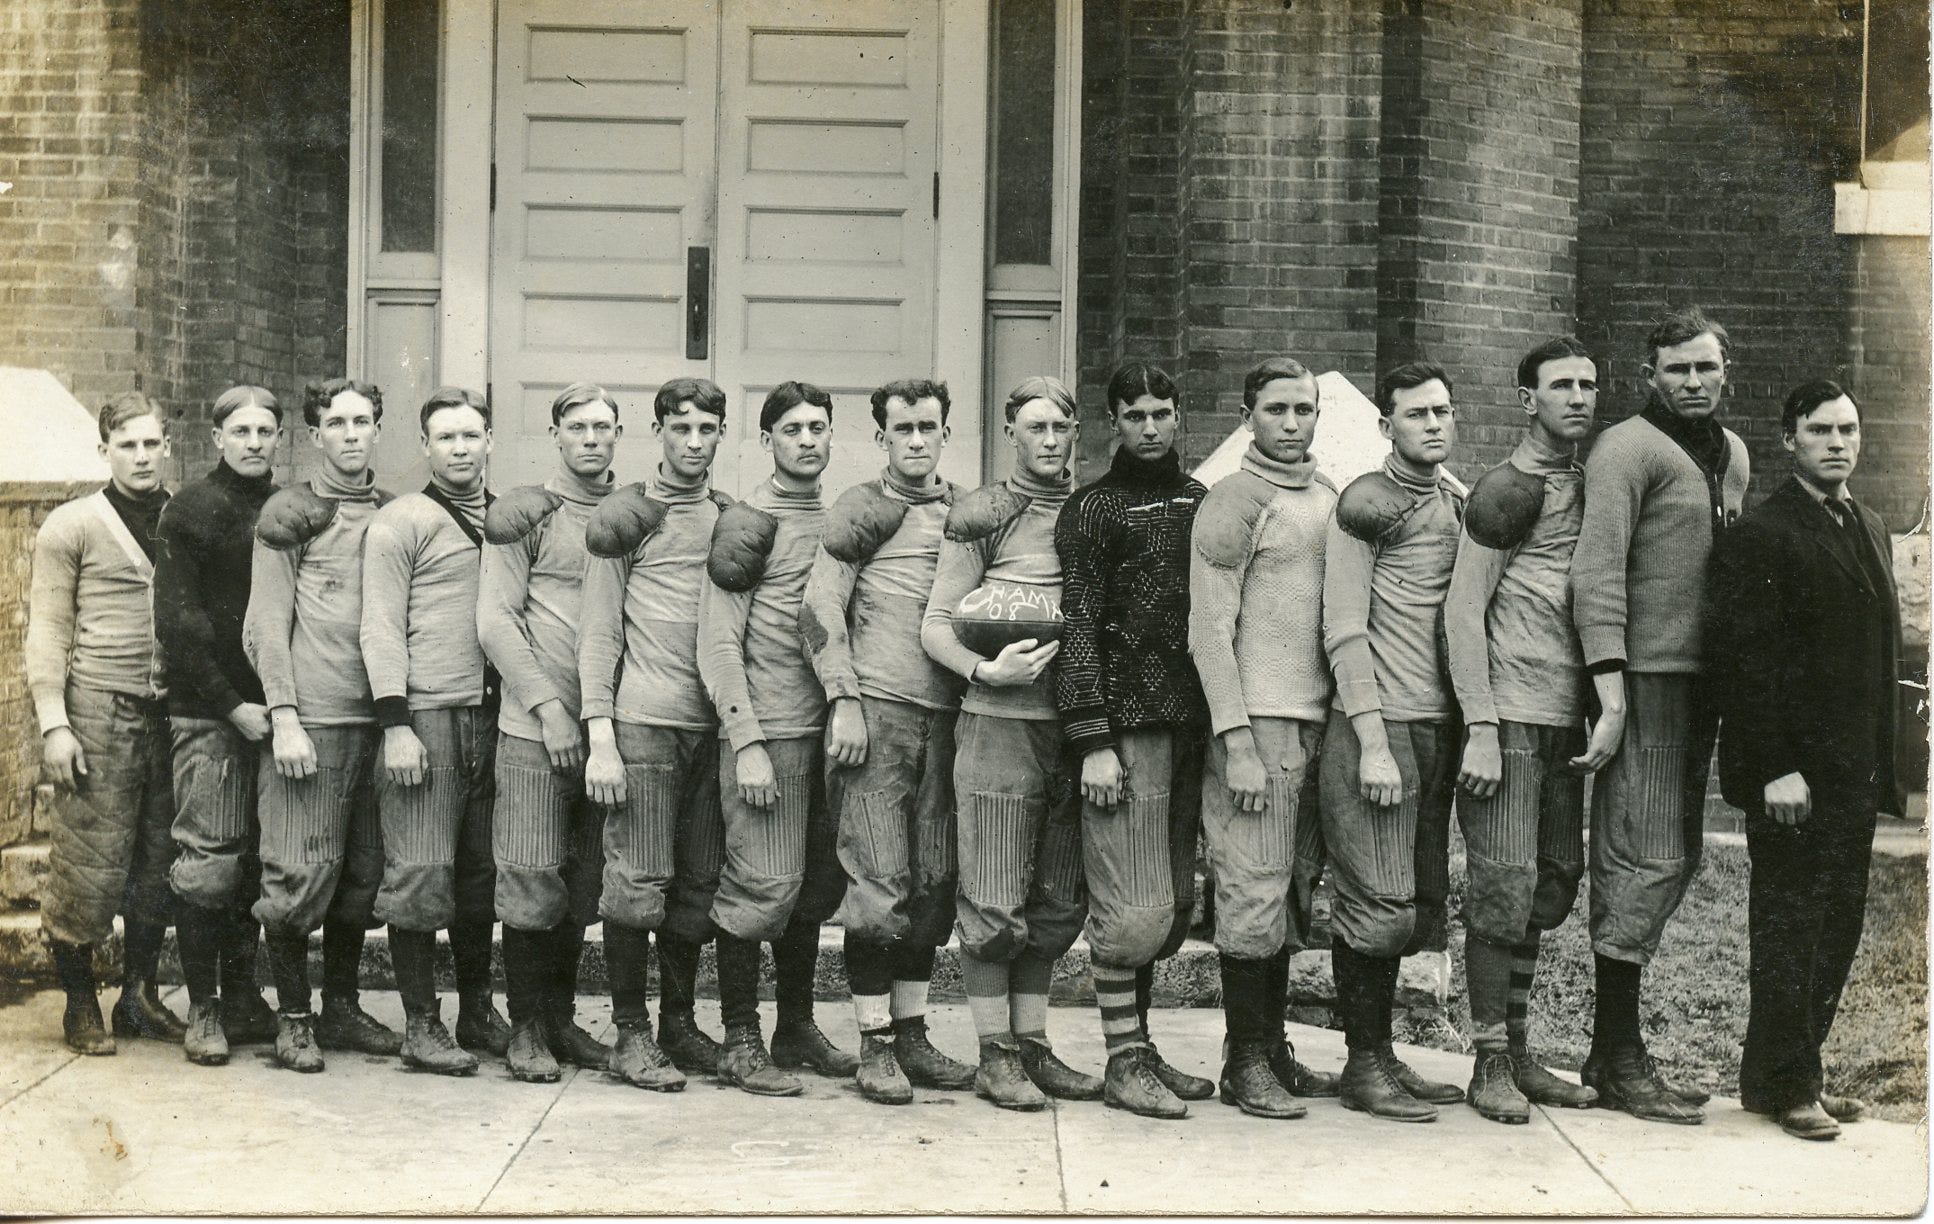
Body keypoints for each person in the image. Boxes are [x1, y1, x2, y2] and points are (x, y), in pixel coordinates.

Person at [1707, 381, 1901, 1141]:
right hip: (1793, 776)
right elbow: (1743, 664)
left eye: (1848, 429)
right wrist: (1771, 768)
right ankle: (1794, 1086)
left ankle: (1780, 1073)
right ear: (1788, 440)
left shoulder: (1870, 523)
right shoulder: (1762, 535)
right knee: (1790, 926)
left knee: (1838, 924)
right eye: (1820, 430)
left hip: (1852, 772)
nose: (1837, 442)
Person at [1570, 308, 1748, 1123]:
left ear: (1725, 368)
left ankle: (1612, 1053)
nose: (1692, 383)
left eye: (1704, 368)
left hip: (1704, 681)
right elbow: (1597, 574)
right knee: (1639, 858)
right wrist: (1611, 695)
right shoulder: (1625, 449)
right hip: (1642, 682)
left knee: (1673, 857)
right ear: (1651, 375)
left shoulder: (1733, 453)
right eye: (1676, 371)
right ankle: (1618, 1058)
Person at [922, 375, 1099, 1112]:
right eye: (1034, 428)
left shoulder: (1090, 511)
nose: (1049, 441)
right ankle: (995, 1054)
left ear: (1075, 433)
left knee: (1057, 899)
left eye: (1060, 427)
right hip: (999, 724)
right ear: (1010, 434)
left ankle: (1033, 1046)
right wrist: (983, 668)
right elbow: (935, 622)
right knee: (994, 896)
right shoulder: (985, 517)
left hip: (1080, 727)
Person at [801, 378, 976, 1105]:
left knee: (934, 883)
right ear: (880, 439)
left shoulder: (967, 510)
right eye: (900, 429)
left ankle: (911, 1033)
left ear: (944, 431)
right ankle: (873, 1042)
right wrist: (844, 699)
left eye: (926, 427)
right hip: (878, 716)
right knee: (879, 884)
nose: (915, 440)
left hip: (952, 717)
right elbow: (818, 609)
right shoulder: (861, 509)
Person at [1444, 338, 1605, 1123]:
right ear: (1525, 399)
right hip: (1506, 716)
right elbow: (1462, 609)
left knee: (1551, 884)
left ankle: (1519, 1047)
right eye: (1560, 385)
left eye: (1588, 384)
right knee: (1503, 888)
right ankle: (1488, 1063)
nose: (1577, 397)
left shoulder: (1588, 480)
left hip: (1563, 720)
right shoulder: (1506, 489)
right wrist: (1478, 721)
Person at [1051, 360, 1212, 1120]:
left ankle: (1141, 1046)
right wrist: (1092, 739)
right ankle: (1120, 1060)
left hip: (1188, 723)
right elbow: (1076, 626)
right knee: (1130, 903)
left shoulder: (1199, 502)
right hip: (1124, 726)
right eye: (1134, 414)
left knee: (1171, 902)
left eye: (1162, 411)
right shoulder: (1092, 509)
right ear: (1112, 423)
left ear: (1179, 416)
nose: (1150, 426)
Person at [1186, 357, 1343, 1118]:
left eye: (1303, 410)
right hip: (1256, 724)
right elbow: (1209, 632)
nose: (1291, 423)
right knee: (1250, 891)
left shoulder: (1327, 498)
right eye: (1276, 409)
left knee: (1289, 892)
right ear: (1248, 415)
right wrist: (1236, 738)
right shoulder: (1233, 500)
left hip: (1318, 722)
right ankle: (1243, 1060)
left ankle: (1272, 1049)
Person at [1319, 360, 1468, 1123]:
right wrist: (1373, 743)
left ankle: (1383, 1055)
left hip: (1437, 727)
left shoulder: (1450, 501)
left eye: (1443, 411)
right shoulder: (1365, 505)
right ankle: (1363, 1063)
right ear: (1386, 426)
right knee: (1375, 899)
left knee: (1413, 900)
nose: (1434, 424)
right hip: (1377, 724)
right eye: (1417, 414)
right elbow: (1344, 630)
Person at [698, 381, 855, 1096]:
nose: (806, 440)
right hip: (771, 734)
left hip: (836, 736)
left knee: (813, 890)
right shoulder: (746, 522)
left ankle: (794, 1026)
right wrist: (747, 740)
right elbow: (719, 644)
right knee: (759, 886)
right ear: (766, 441)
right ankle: (739, 1038)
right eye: (790, 429)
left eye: (817, 427)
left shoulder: (839, 517)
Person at [578, 377, 734, 1091]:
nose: (694, 443)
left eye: (707, 430)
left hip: (715, 730)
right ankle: (631, 1033)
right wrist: (601, 734)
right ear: (659, 432)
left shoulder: (731, 518)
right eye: (681, 429)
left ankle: (677, 1022)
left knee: (698, 885)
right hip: (644, 722)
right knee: (637, 883)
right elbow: (599, 630)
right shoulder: (629, 515)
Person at [244, 378, 399, 1073]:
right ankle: (295, 1019)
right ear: (314, 435)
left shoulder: (398, 514)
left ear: (378, 429)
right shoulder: (293, 511)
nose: (351, 434)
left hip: (386, 722)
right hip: (315, 720)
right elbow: (264, 626)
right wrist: (284, 716)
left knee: (362, 876)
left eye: (363, 421)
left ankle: (339, 1008)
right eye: (336, 423)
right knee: (297, 876)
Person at [359, 387, 508, 1076]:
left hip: (497, 719)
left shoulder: (507, 517)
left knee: (481, 874)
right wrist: (396, 724)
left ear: (489, 441)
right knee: (420, 869)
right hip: (428, 718)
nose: (459, 449)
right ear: (424, 446)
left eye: (470, 436)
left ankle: (478, 1009)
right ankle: (422, 1024)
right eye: (445, 437)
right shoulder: (402, 520)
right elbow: (381, 625)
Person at [477, 382, 623, 1083]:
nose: (593, 439)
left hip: (610, 735)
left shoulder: (632, 515)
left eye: (605, 427)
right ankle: (527, 1027)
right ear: (557, 436)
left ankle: (561, 1021)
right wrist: (548, 708)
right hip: (536, 729)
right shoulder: (527, 513)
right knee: (531, 878)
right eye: (579, 428)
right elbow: (496, 621)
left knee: (584, 881)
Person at [29, 393, 181, 1055]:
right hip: (97, 711)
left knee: (158, 863)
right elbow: (49, 631)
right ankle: (81, 1001)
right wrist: (54, 723)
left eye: (151, 444)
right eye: (127, 446)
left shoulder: (186, 517)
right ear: (104, 451)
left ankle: (139, 997)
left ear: (167, 446)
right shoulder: (73, 525)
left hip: (172, 715)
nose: (141, 458)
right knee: (88, 863)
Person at [155, 385, 286, 1065]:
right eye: (242, 430)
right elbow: (181, 625)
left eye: (266, 430)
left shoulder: (286, 510)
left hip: (277, 714)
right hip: (211, 713)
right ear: (217, 437)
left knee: (259, 863)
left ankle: (242, 994)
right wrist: (231, 704)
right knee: (210, 861)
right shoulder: (192, 510)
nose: (255, 441)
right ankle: (202, 1005)